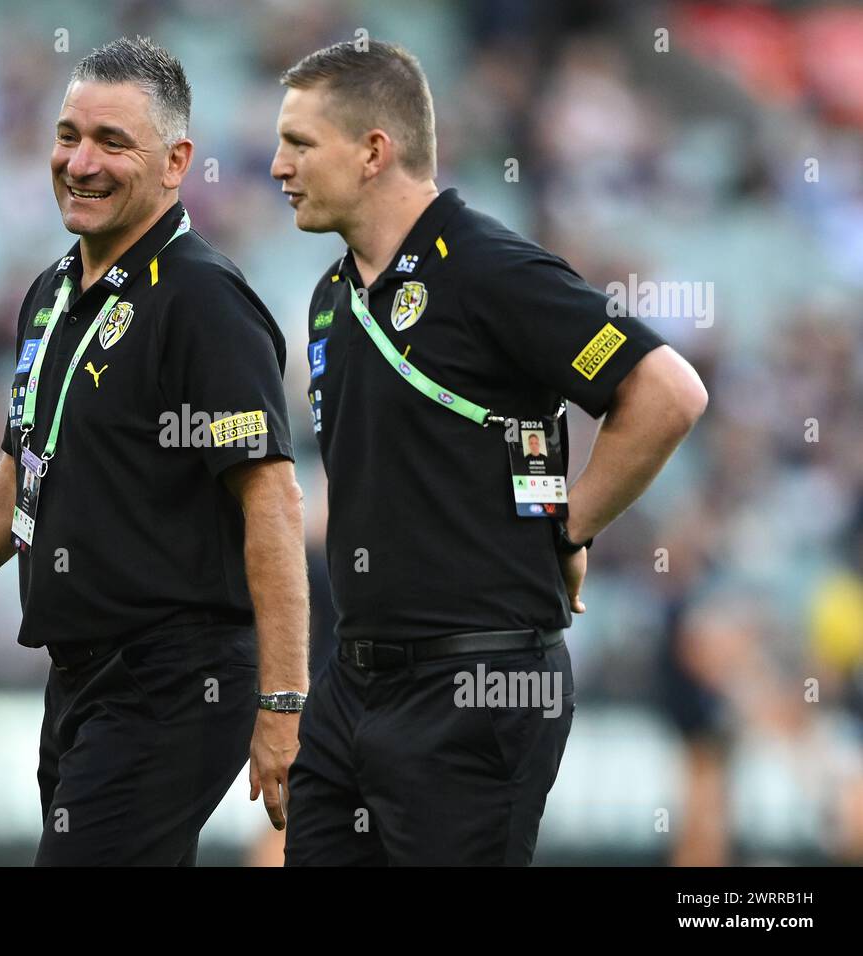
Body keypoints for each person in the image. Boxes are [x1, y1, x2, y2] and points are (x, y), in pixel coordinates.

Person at [0, 37, 310, 866]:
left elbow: (273, 500)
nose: (81, 161)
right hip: (79, 680)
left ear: (176, 161)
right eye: (69, 134)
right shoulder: (47, 298)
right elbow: (17, 483)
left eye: (113, 142)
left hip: (176, 681)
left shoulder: (204, 302)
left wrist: (283, 702)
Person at [272, 39, 708, 865]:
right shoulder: (333, 300)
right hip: (354, 688)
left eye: (299, 144)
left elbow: (666, 392)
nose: (275, 166)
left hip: (474, 688)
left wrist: (570, 528)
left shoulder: (487, 268)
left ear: (373, 151)